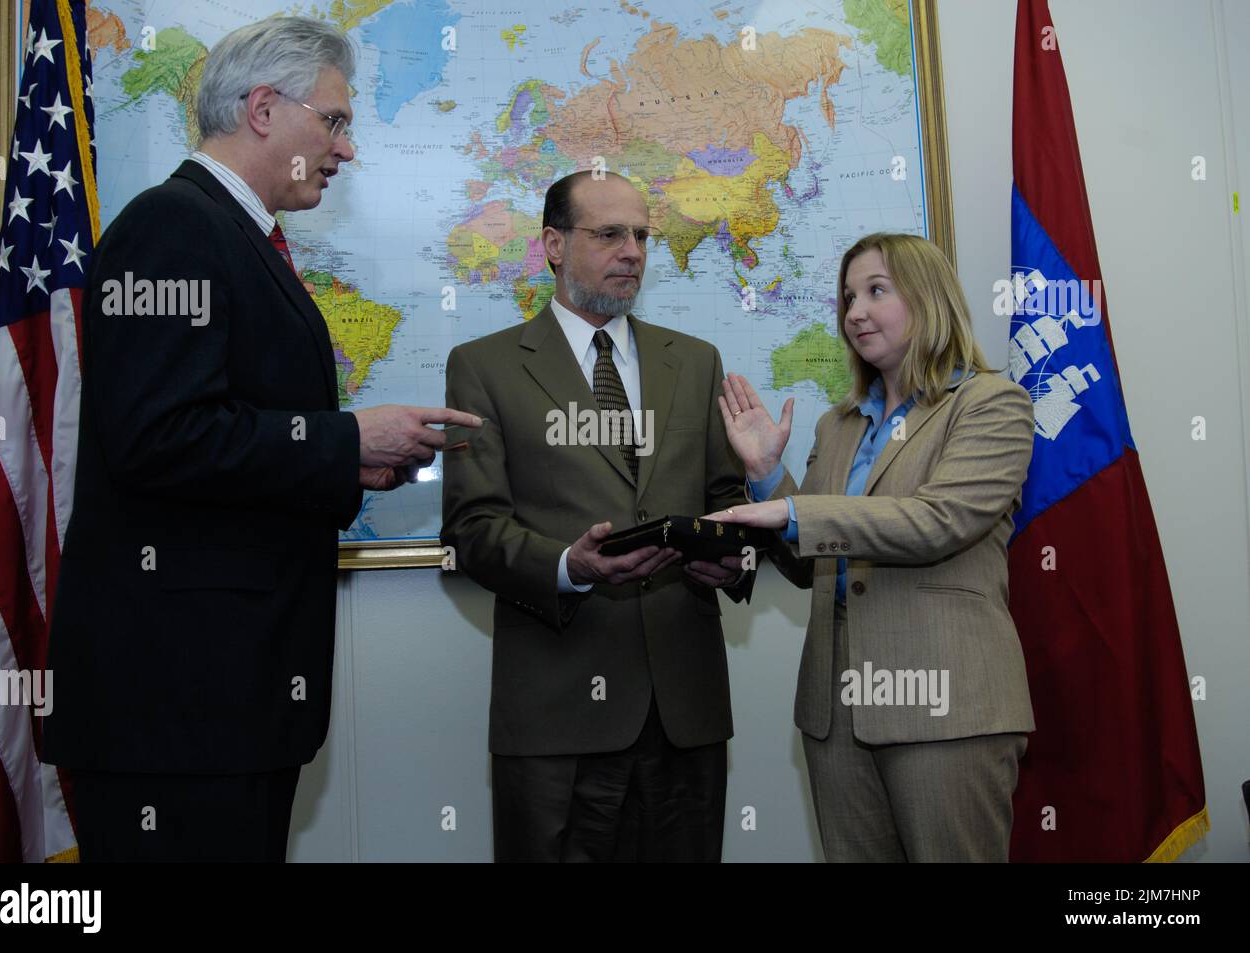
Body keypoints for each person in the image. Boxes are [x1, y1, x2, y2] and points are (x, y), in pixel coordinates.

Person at [42, 16, 479, 862]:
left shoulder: (234, 236)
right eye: (337, 121)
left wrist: (351, 460)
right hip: (175, 712)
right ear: (266, 108)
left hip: (219, 707)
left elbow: (223, 436)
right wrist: (343, 436)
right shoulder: (172, 227)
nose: (347, 150)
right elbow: (158, 438)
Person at [441, 170, 753, 862]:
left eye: (642, 235)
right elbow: (470, 529)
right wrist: (567, 566)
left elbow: (727, 501)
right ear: (553, 244)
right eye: (610, 233)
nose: (634, 251)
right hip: (557, 722)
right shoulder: (484, 367)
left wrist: (732, 557)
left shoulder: (694, 364)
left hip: (684, 717)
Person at [707, 232, 1035, 862]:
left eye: (876, 291)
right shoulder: (838, 424)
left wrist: (793, 507)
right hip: (836, 714)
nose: (854, 310)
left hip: (947, 705)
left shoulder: (992, 404)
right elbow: (812, 564)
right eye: (848, 296)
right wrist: (769, 475)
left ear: (929, 298)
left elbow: (937, 521)